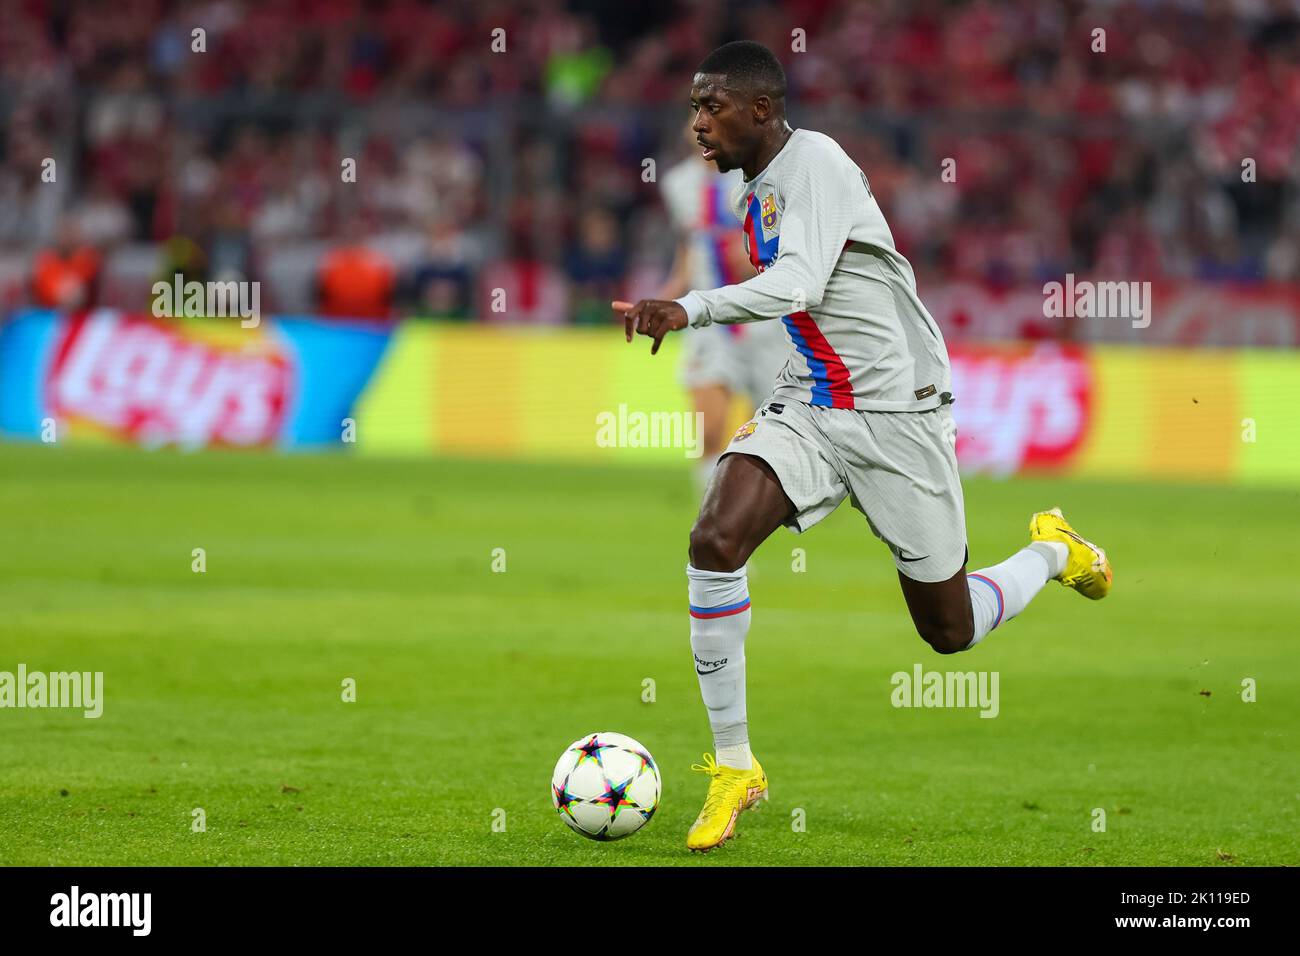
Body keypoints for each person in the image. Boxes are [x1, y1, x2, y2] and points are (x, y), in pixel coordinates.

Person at [612, 41, 1113, 853]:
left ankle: (1052, 553)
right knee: (714, 539)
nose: (697, 123)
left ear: (762, 110)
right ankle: (735, 767)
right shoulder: (756, 191)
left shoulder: (820, 164)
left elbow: (802, 284)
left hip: (898, 415)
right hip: (811, 402)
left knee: (948, 632)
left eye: (711, 107)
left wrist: (690, 306)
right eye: (694, 108)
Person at [656, 125, 789, 496]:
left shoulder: (764, 177)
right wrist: (665, 298)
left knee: (768, 436)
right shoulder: (678, 184)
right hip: (709, 319)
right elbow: (689, 251)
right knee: (708, 429)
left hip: (764, 320)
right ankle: (715, 530)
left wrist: (756, 258)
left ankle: (746, 514)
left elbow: (787, 247)